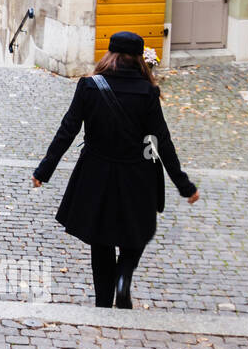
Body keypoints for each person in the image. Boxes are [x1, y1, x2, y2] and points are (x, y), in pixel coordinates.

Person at [31, 31, 201, 309]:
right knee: (138, 232)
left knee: (101, 241)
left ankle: (102, 304)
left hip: (95, 174)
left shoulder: (88, 86)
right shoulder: (147, 92)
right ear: (138, 59)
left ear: (109, 55)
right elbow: (163, 141)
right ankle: (123, 278)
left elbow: (68, 130)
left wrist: (44, 169)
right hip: (137, 175)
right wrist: (184, 185)